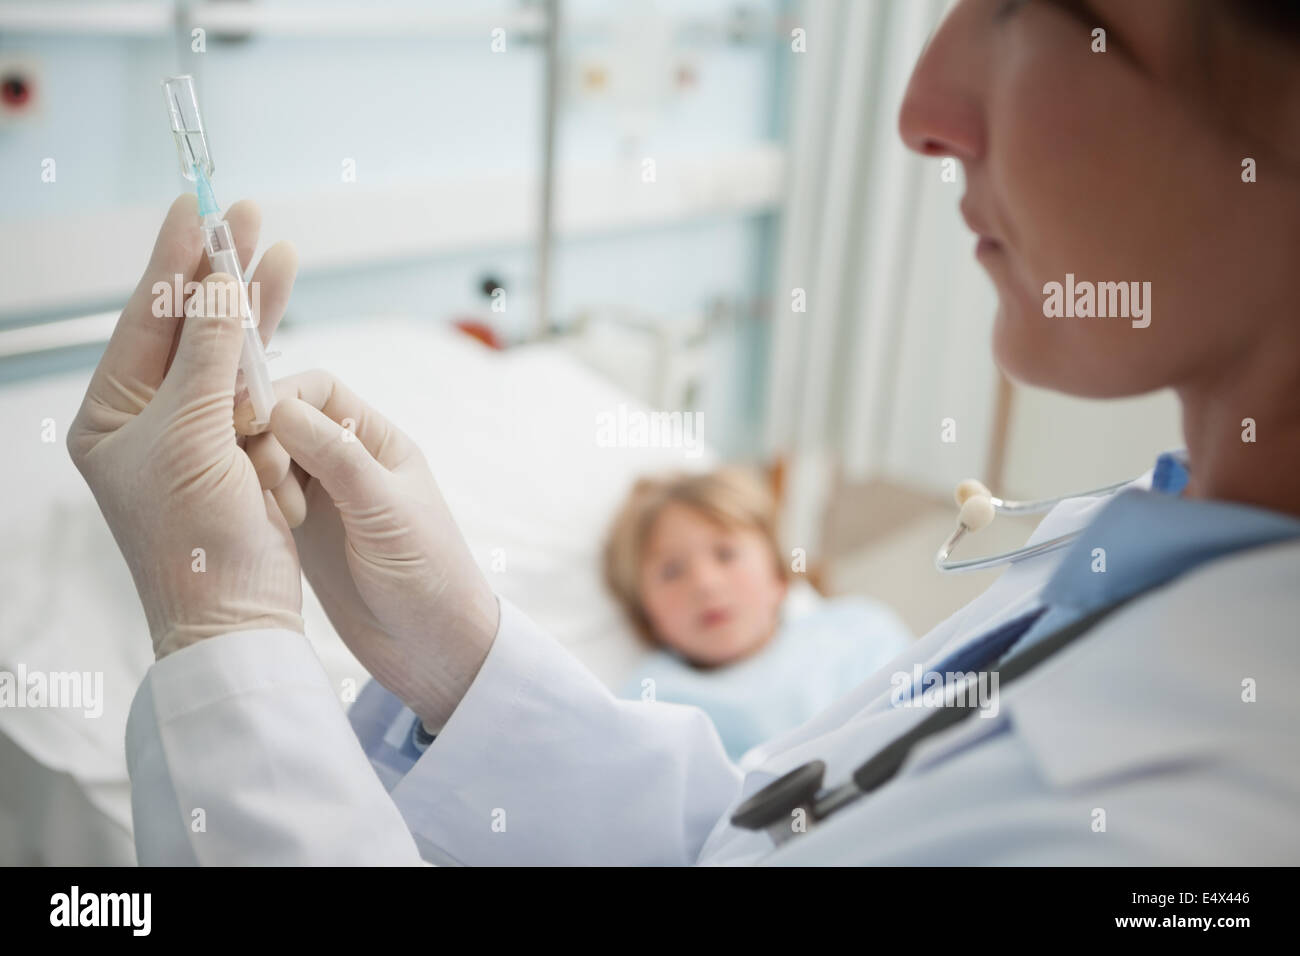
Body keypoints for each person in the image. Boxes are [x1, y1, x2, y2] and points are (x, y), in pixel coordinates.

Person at [70, 0, 1300, 865]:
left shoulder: (1211, 818)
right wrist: (455, 655)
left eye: (1038, 5)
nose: (921, 108)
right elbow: (748, 839)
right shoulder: (1148, 552)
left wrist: (222, 632)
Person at [603, 468, 911, 762]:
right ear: (645, 613)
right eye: (671, 571)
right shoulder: (652, 701)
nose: (705, 584)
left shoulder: (858, 630)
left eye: (726, 554)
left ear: (778, 575)